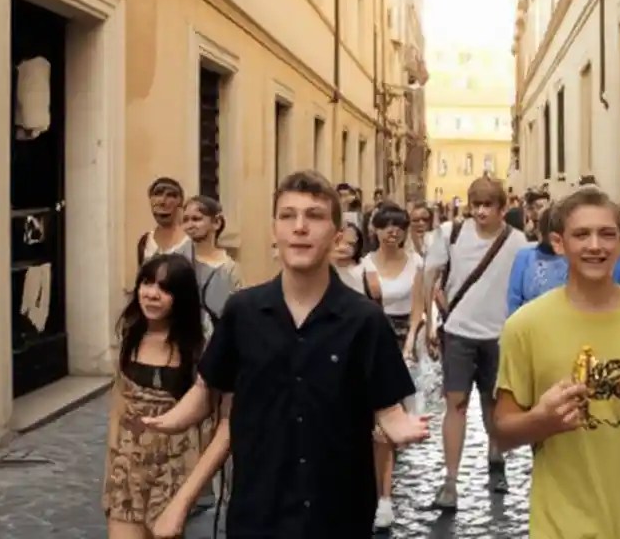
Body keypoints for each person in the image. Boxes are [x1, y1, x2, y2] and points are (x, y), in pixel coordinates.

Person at [141, 171, 430, 537]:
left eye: (315, 216)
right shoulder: (243, 312)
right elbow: (207, 388)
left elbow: (388, 408)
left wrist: (399, 425)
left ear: (337, 235)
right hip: (258, 512)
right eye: (288, 216)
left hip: (338, 515)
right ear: (274, 231)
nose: (300, 227)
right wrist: (171, 419)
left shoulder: (365, 320)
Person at [493, 186, 620, 538]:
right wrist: (541, 420)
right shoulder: (525, 326)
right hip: (561, 521)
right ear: (559, 243)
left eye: (606, 234)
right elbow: (503, 431)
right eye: (581, 234)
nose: (595, 246)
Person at [423, 175, 531, 508]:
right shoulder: (450, 234)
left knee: (493, 405)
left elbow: (525, 290)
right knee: (455, 405)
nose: (481, 212)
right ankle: (450, 481)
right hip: (458, 332)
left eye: (488, 205)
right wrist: (427, 320)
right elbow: (429, 276)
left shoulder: (518, 242)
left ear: (502, 208)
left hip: (500, 335)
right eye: (476, 205)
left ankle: (496, 460)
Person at [102, 254, 208, 538]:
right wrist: (111, 472)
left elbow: (204, 418)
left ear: (181, 297)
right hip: (127, 469)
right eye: (147, 283)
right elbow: (119, 405)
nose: (152, 294)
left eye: (164, 289)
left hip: (171, 471)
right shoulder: (130, 337)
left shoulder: (194, 350)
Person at [361, 203, 425, 529]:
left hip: (401, 343)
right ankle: (375, 492)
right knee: (372, 423)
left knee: (389, 421)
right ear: (375, 229)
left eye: (398, 225)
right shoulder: (364, 265)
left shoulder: (416, 264)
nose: (392, 231)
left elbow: (418, 309)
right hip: (369, 340)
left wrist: (412, 341)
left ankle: (384, 496)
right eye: (386, 225)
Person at [181, 195, 243, 337]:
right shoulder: (177, 260)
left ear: (216, 222)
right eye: (185, 220)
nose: (190, 225)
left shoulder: (230, 268)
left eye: (196, 219)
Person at [137, 177, 190, 265]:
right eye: (157, 194)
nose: (163, 201)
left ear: (180, 202)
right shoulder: (145, 242)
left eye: (170, 195)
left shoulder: (190, 240)